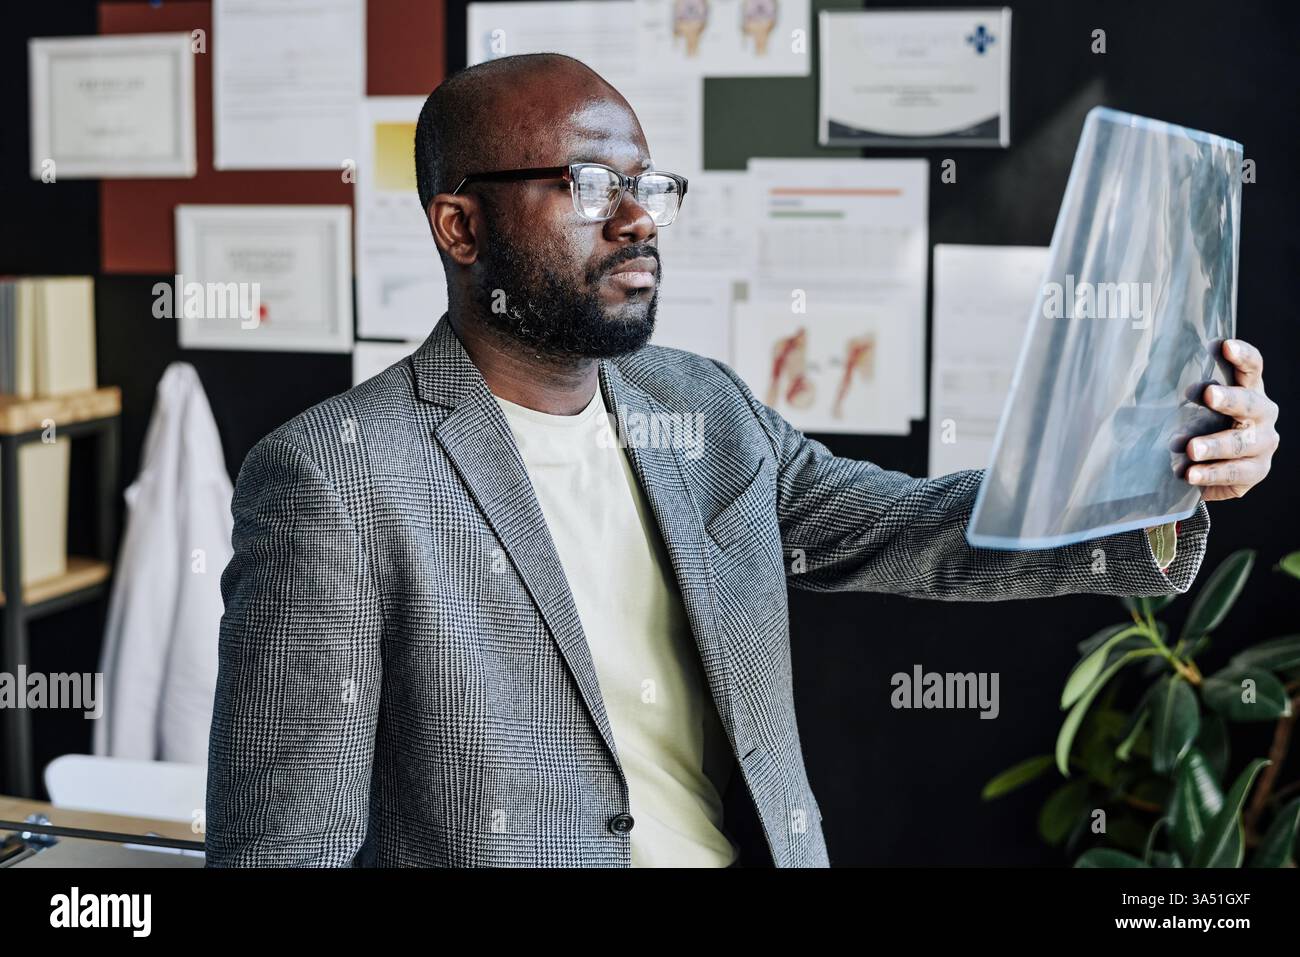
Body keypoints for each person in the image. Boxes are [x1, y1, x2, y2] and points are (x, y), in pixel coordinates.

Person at [205, 53, 1281, 867]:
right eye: (586, 186)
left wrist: (1163, 468)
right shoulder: (332, 478)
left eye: (648, 185)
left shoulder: (703, 409)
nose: (636, 220)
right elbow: (283, 854)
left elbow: (921, 531)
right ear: (459, 226)